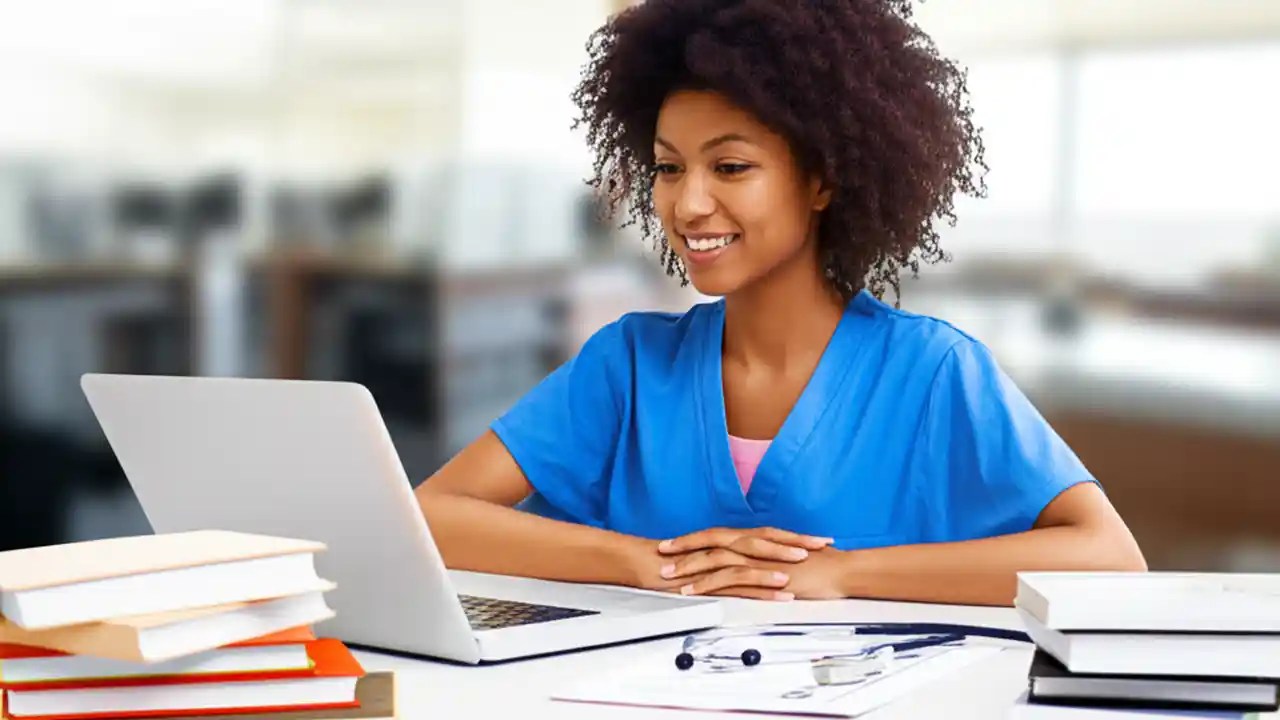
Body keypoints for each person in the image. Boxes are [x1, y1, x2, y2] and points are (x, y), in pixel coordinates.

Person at [415, 0, 1146, 606]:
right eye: (670, 168)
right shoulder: (630, 365)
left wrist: (840, 573)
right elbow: (430, 517)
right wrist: (646, 561)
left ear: (822, 181)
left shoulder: (931, 372)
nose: (690, 203)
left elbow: (1108, 556)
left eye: (730, 166)